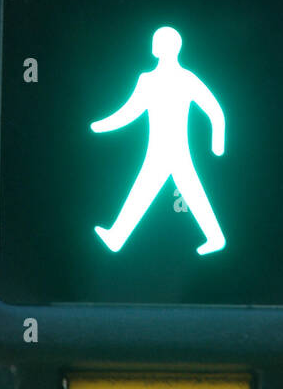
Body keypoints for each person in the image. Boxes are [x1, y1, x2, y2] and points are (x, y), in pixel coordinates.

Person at [91, 26, 226, 254]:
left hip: (170, 153)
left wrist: (218, 143)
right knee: (166, 192)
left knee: (165, 192)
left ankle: (116, 237)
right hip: (161, 152)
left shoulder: (183, 79)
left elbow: (214, 110)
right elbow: (129, 112)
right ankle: (116, 237)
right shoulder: (150, 80)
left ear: (159, 48)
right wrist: (101, 126)